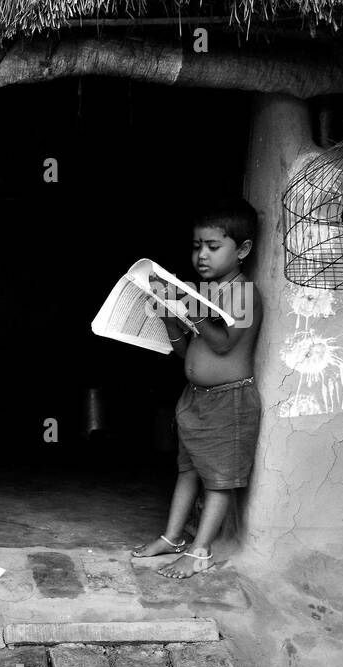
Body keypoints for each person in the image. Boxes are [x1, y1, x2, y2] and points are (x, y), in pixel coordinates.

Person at [132, 199, 264, 578]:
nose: (202, 255)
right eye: (196, 246)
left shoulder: (244, 293)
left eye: (213, 246)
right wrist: (171, 316)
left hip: (229, 401)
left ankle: (201, 549)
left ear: (242, 250)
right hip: (196, 399)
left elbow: (224, 344)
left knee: (219, 479)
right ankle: (173, 538)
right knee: (188, 471)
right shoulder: (208, 292)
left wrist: (186, 307)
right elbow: (186, 351)